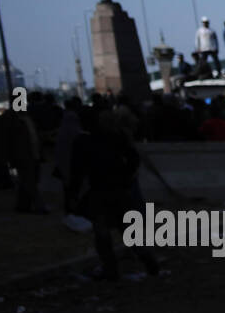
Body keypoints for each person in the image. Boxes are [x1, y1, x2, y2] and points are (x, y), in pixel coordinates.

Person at [68, 107, 159, 281]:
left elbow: (76, 171)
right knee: (127, 230)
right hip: (118, 189)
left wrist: (72, 194)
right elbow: (133, 158)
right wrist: (126, 177)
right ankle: (147, 259)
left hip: (99, 190)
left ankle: (111, 269)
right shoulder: (115, 137)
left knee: (102, 232)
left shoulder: (83, 142)